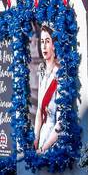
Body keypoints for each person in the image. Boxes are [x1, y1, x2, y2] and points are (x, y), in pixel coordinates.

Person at [32, 25, 60, 153]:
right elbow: (39, 111)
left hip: (53, 141)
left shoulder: (59, 75)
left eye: (47, 42)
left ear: (54, 45)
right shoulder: (42, 72)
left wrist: (44, 148)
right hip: (42, 135)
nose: (44, 46)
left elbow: (61, 122)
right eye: (42, 42)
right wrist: (36, 139)